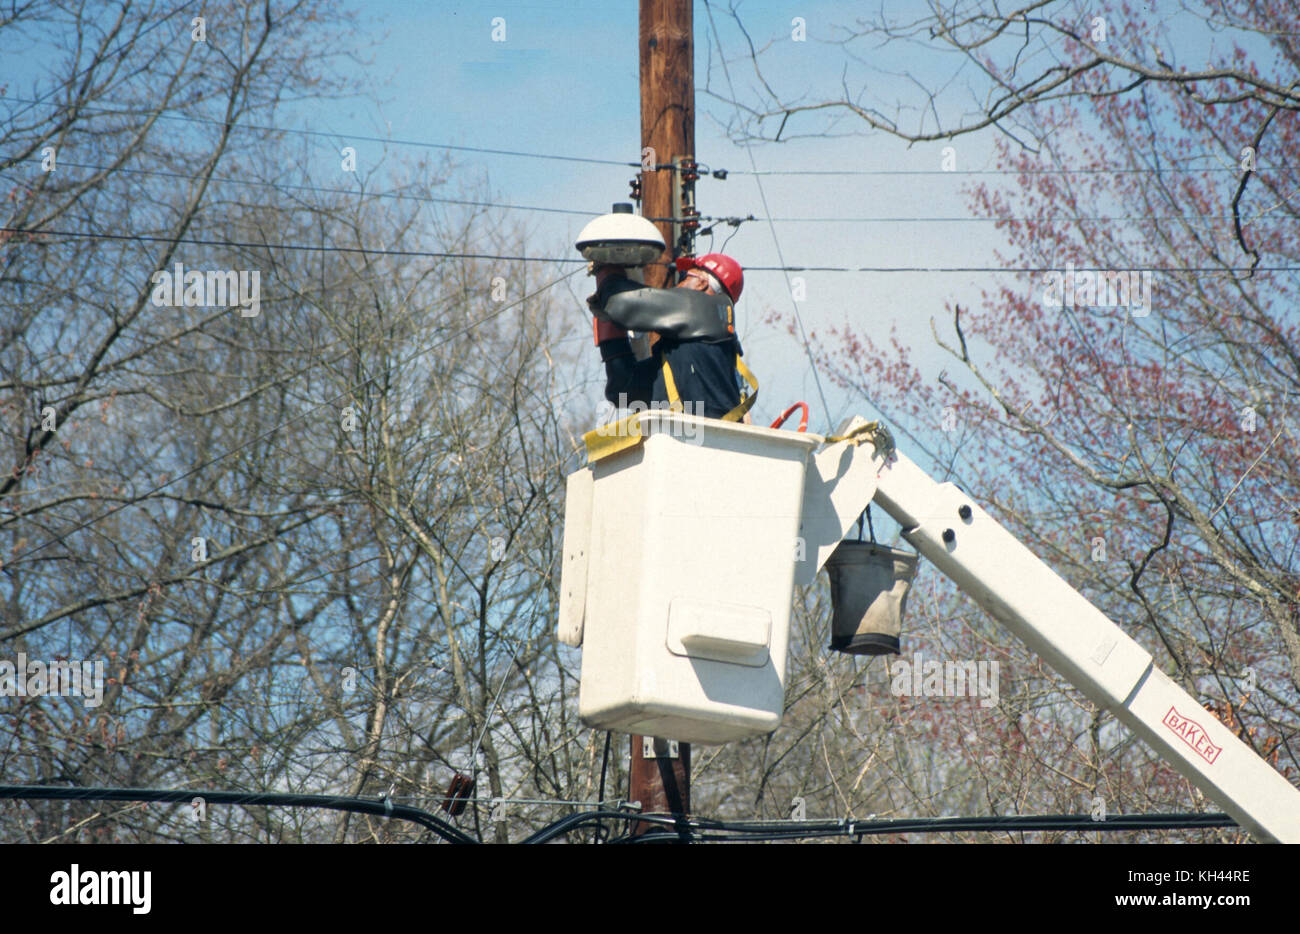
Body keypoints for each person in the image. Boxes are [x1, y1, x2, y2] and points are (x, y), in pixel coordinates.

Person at [588, 253, 756, 422]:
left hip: (699, 439)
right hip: (698, 439)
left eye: (686, 277)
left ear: (701, 284)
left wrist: (606, 270)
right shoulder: (695, 354)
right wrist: (609, 329)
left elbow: (620, 301)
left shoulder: (702, 307)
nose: (679, 284)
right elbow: (622, 389)